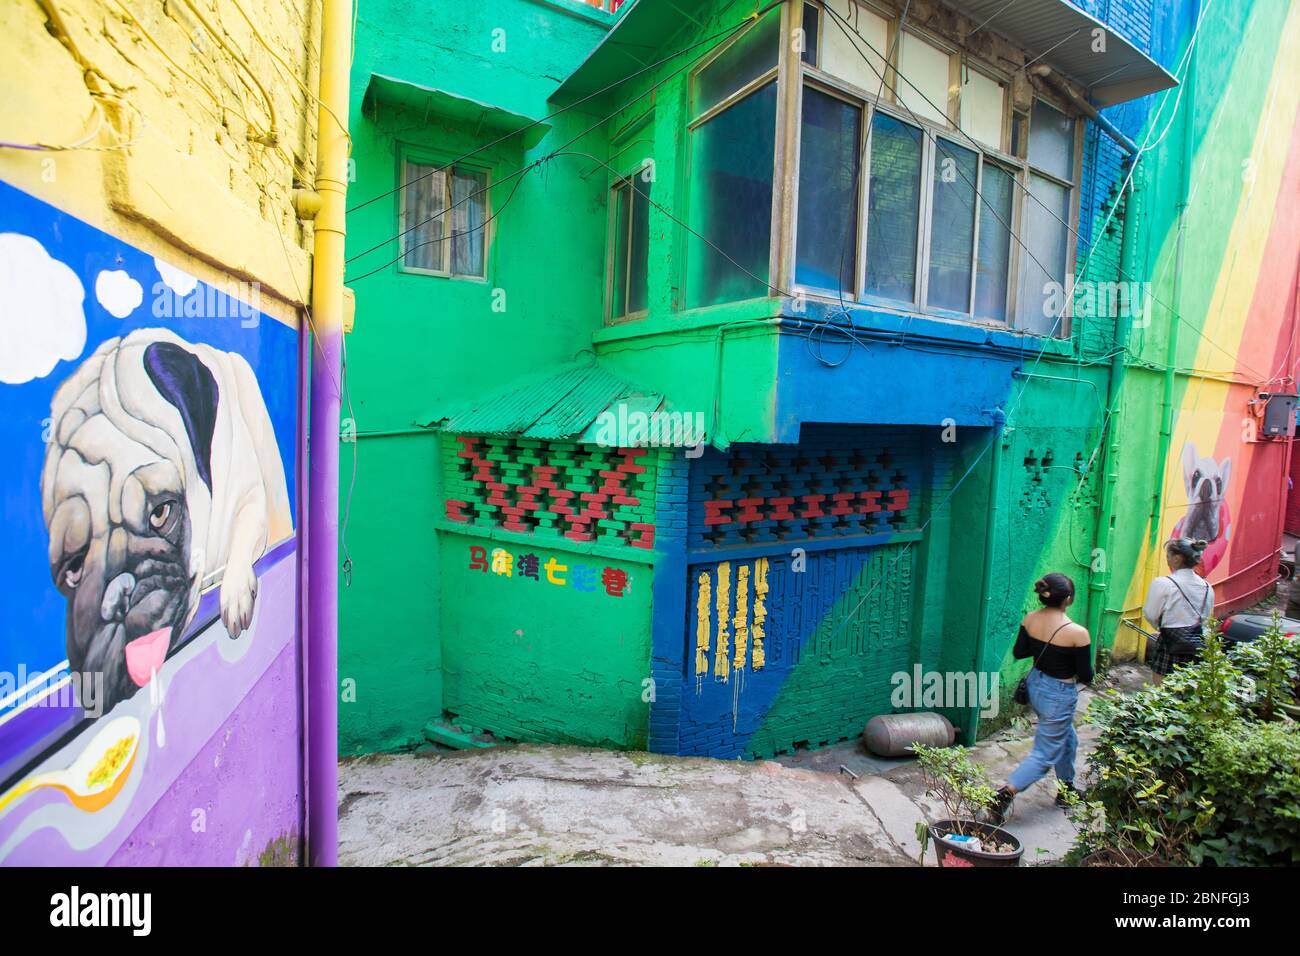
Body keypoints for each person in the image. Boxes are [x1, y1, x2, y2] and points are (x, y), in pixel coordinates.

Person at [988, 573, 1093, 825]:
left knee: (1067, 737)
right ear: (1067, 600)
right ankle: (1004, 794)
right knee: (1044, 754)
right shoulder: (1078, 633)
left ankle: (1066, 790)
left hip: (1036, 685)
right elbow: (1086, 674)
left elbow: (1020, 652)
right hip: (1059, 694)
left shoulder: (1030, 619)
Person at [1142, 538, 1213, 684]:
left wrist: (1163, 626)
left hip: (1170, 643)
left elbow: (1150, 614)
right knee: (1188, 692)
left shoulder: (1163, 583)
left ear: (1177, 558)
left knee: (1161, 692)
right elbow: (1206, 618)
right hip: (1197, 645)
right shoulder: (1207, 587)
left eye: (1168, 555)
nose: (1167, 559)